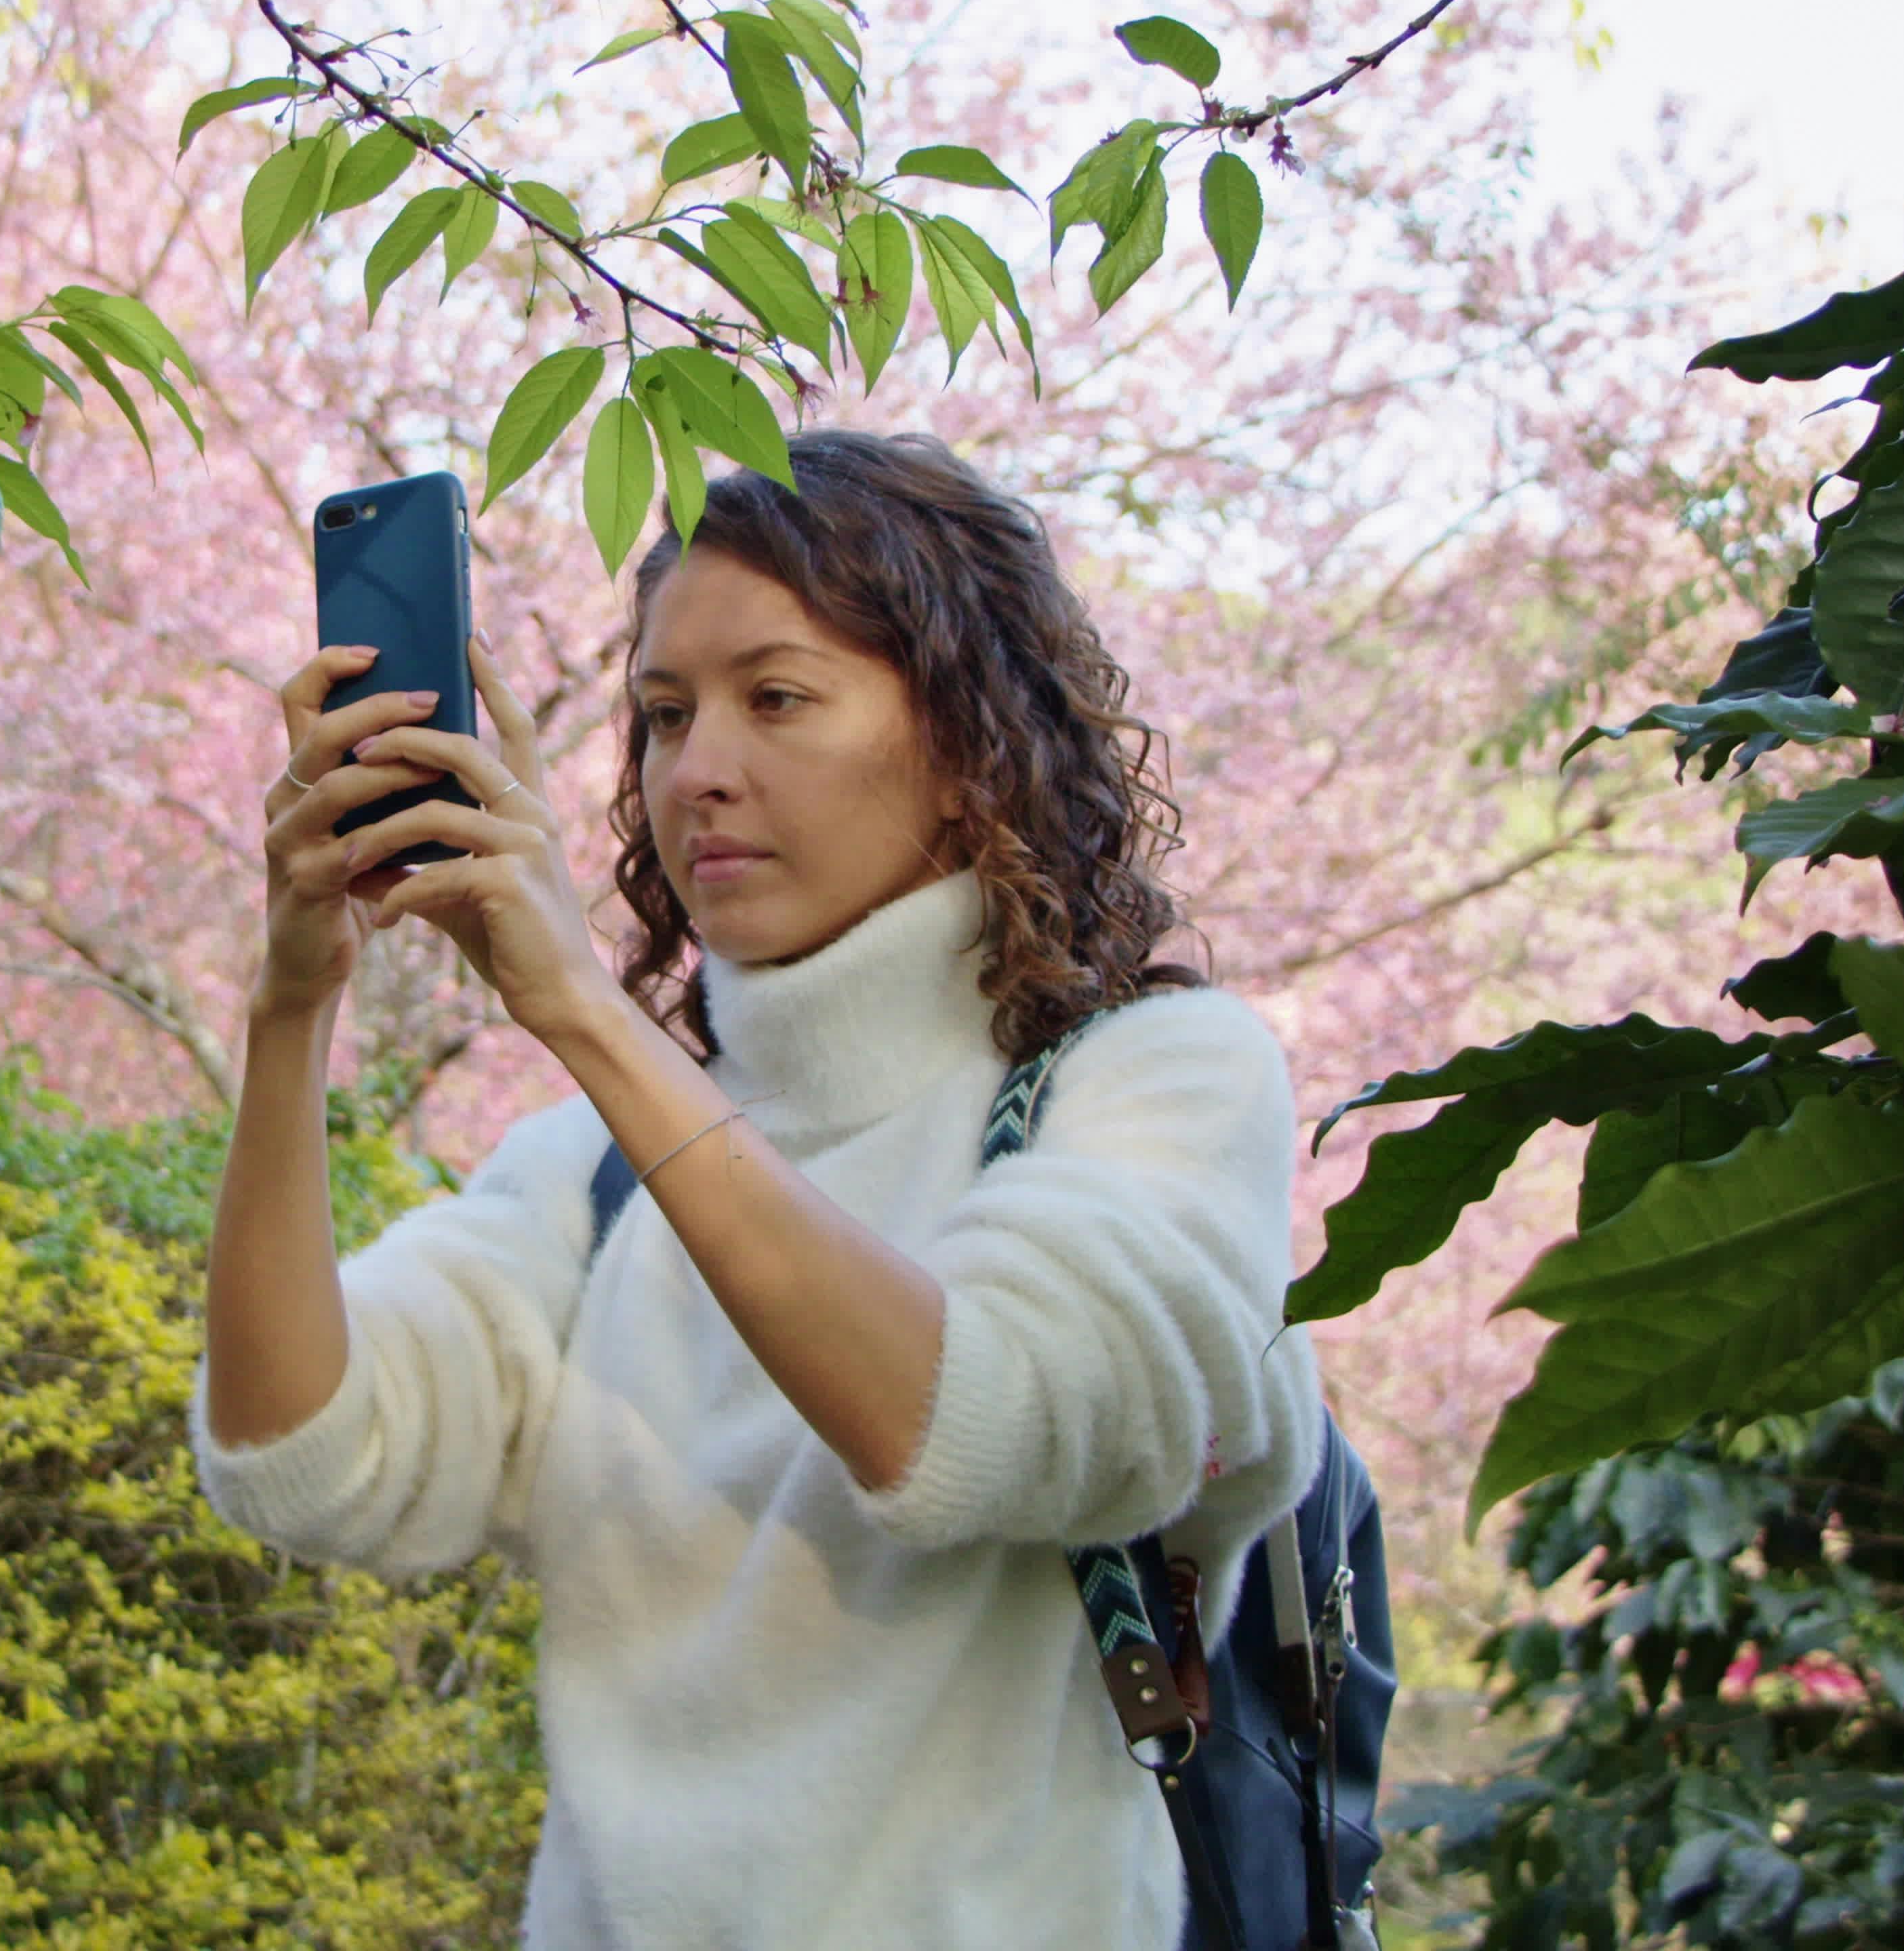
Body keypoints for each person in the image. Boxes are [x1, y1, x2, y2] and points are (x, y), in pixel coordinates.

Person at [197, 430, 1322, 1949]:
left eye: (777, 697)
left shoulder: (1161, 1082)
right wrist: (290, 1005)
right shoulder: (588, 1179)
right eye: (663, 716)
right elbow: (301, 1464)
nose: (699, 770)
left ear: (972, 734)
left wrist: (585, 1011)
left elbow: (984, 1424)